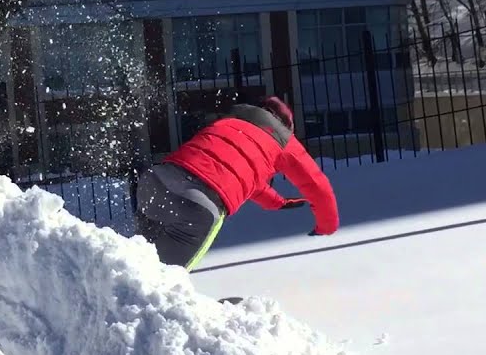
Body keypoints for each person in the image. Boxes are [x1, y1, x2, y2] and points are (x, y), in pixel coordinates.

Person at [131, 95, 339, 271]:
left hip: (155, 181)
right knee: (163, 278)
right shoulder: (285, 142)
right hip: (197, 208)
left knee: (137, 263)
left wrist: (278, 202)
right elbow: (318, 186)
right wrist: (326, 227)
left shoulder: (227, 122)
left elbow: (240, 178)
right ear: (287, 125)